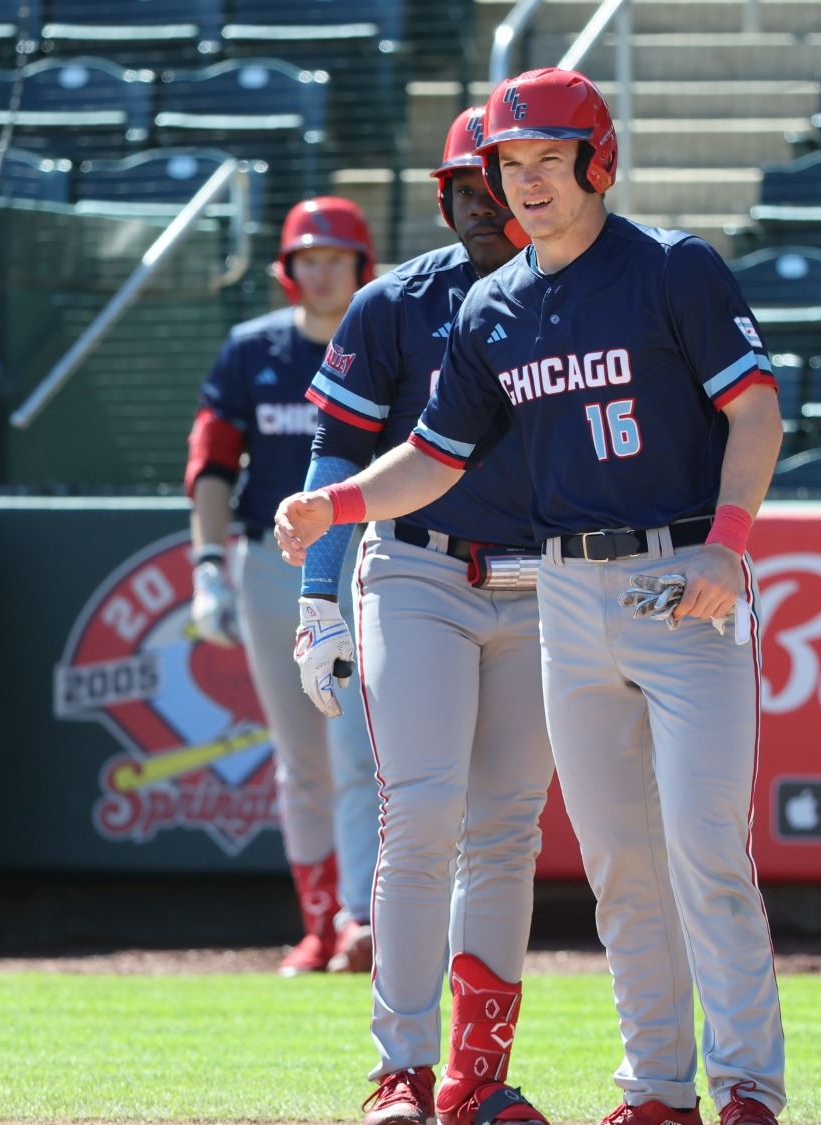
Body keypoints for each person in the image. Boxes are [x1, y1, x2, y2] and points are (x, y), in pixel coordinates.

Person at [277, 69, 787, 1125]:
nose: (525, 182)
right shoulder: (491, 306)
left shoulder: (671, 268)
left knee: (701, 840)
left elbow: (756, 412)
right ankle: (654, 1091)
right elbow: (430, 456)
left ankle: (745, 1088)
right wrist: (335, 507)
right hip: (560, 587)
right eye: (510, 164)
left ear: (596, 161)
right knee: (615, 868)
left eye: (548, 159)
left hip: (679, 575)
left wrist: (727, 547)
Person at [295, 108, 551, 1125]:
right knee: (422, 814)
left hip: (545, 582)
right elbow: (332, 458)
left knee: (504, 833)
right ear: (441, 195)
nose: (484, 206)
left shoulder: (597, 296)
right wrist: (317, 596)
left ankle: (473, 1081)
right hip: (416, 571)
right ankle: (397, 1070)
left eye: (503, 182)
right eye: (464, 187)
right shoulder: (393, 303)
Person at [186, 197, 383, 975]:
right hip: (271, 562)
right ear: (287, 267)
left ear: (361, 268)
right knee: (301, 755)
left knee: (358, 749)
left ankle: (362, 917)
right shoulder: (250, 350)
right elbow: (210, 464)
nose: (323, 270)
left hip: (365, 556)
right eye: (310, 257)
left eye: (336, 257)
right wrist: (207, 566)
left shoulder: (384, 338)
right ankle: (316, 919)